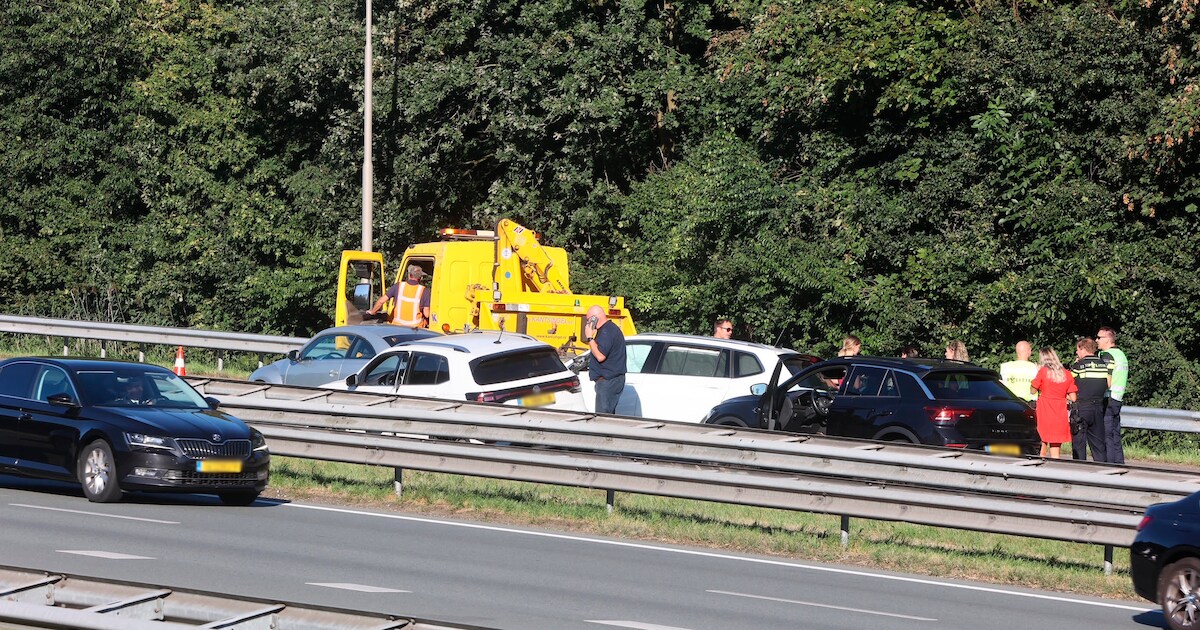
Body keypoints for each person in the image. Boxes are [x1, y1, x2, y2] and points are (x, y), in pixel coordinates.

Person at [1030, 347, 1077, 459]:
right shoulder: (1067, 374)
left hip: (1044, 409)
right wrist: (1060, 394)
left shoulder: (1042, 372)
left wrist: (1037, 373)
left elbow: (1032, 390)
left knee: (1042, 442)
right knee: (1055, 446)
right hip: (1059, 410)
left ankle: (1039, 472)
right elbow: (1073, 398)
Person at [1070, 337, 1110, 462]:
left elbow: (1067, 382)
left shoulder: (1079, 365)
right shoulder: (1103, 365)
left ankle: (1080, 470)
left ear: (1083, 349)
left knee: (1079, 442)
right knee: (1098, 443)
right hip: (1098, 406)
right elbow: (1109, 384)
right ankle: (1102, 470)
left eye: (1078, 350)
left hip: (1082, 406)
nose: (1077, 353)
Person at [585, 305, 626, 414]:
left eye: (588, 320)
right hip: (610, 380)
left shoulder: (606, 332)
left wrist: (589, 338)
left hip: (608, 381)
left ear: (594, 319)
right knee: (608, 416)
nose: (587, 324)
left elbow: (600, 356)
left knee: (602, 418)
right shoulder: (609, 329)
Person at [1097, 326, 1129, 464]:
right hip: (1117, 398)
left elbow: (1106, 380)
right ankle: (1119, 463)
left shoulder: (1107, 355)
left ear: (1108, 339)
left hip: (1108, 398)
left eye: (1099, 337)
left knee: (1106, 435)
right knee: (1115, 434)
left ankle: (1109, 467)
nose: (1096, 340)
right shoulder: (1120, 354)